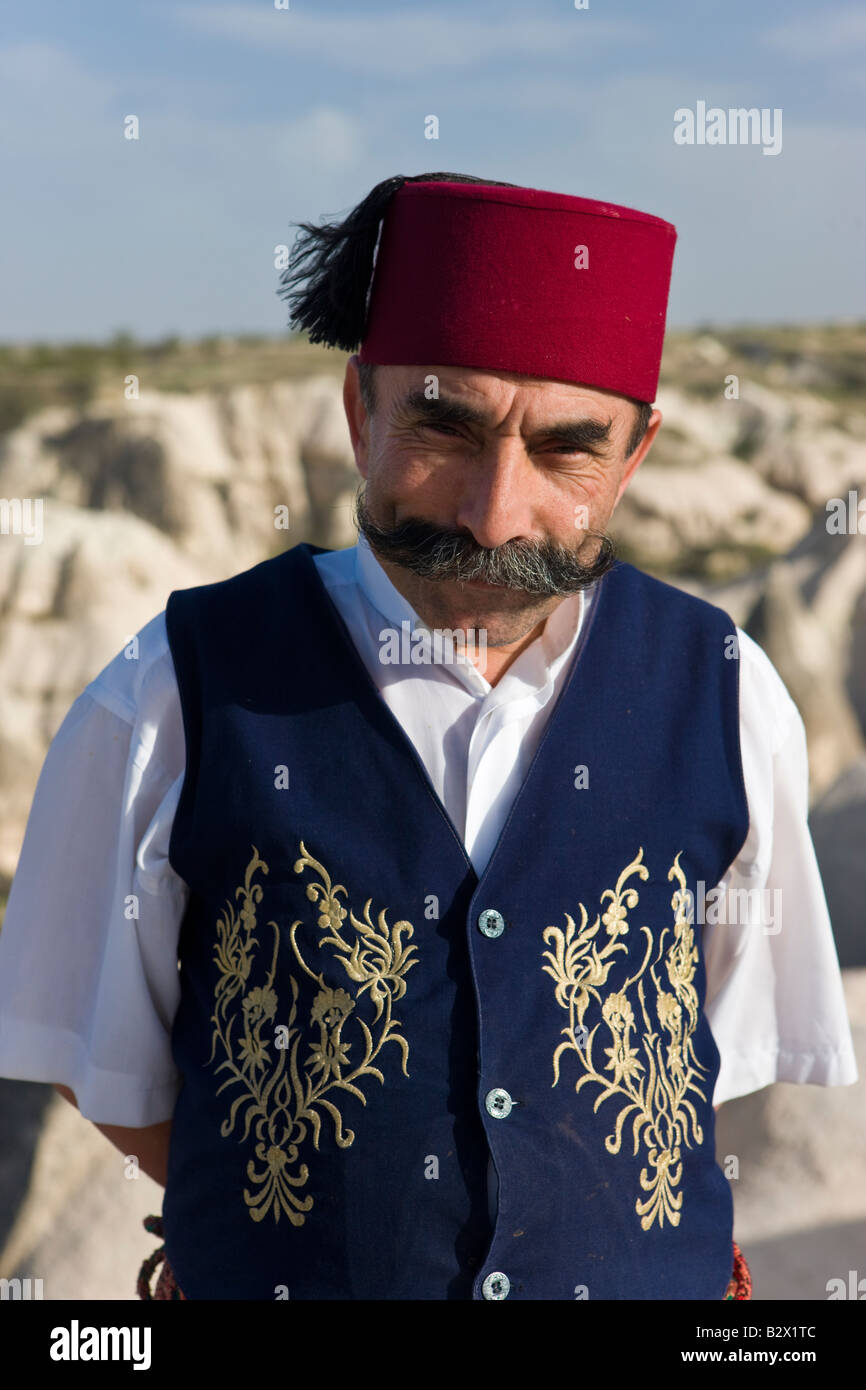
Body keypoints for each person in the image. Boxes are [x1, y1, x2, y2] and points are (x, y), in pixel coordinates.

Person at [0, 173, 857, 1302]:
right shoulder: (167, 693)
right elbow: (100, 1060)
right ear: (360, 412)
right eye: (445, 428)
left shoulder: (728, 696)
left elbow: (707, 1061)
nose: (493, 512)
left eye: (566, 451)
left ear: (635, 455)